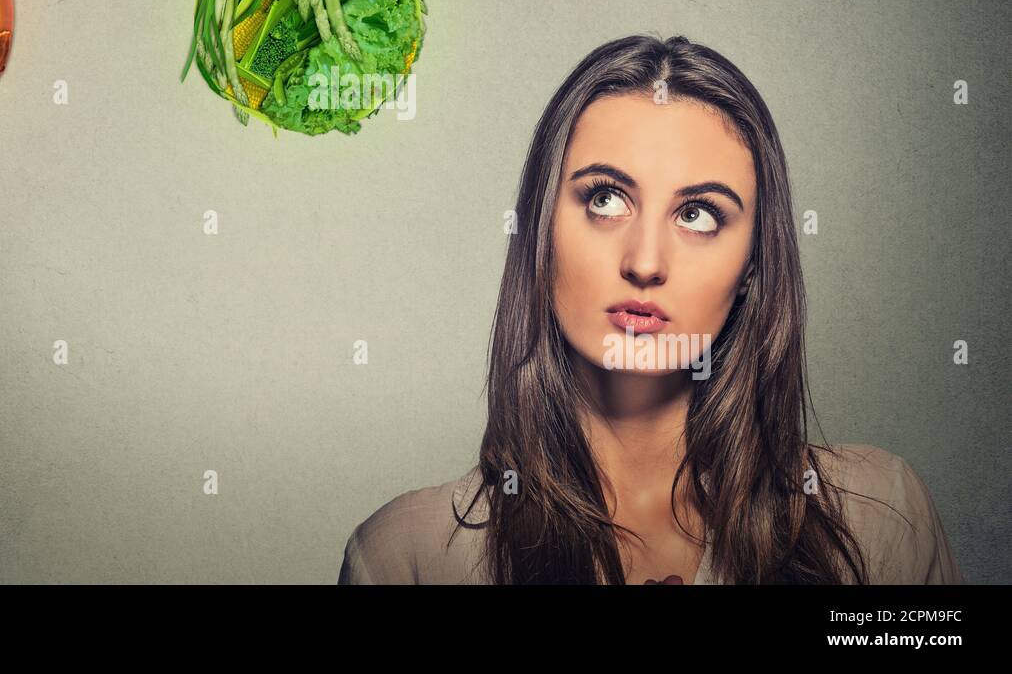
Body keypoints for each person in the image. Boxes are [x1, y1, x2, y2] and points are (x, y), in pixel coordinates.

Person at [338, 35, 963, 585]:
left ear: (753, 265)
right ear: (540, 230)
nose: (644, 261)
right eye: (605, 199)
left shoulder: (881, 519)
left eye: (697, 214)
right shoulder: (407, 558)